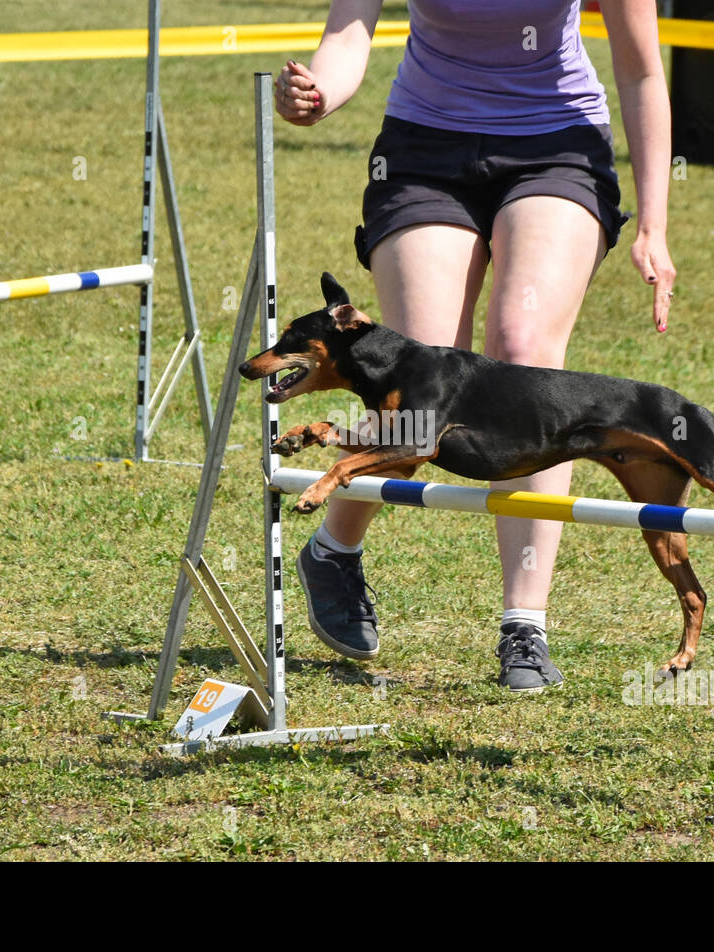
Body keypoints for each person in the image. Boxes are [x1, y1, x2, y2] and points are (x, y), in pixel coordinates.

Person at [273, 0, 676, 693]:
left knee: (525, 355)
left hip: (558, 147)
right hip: (425, 147)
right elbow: (350, 30)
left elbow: (641, 71)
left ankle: (525, 623)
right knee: (422, 369)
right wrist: (319, 95)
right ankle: (335, 548)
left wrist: (655, 226)